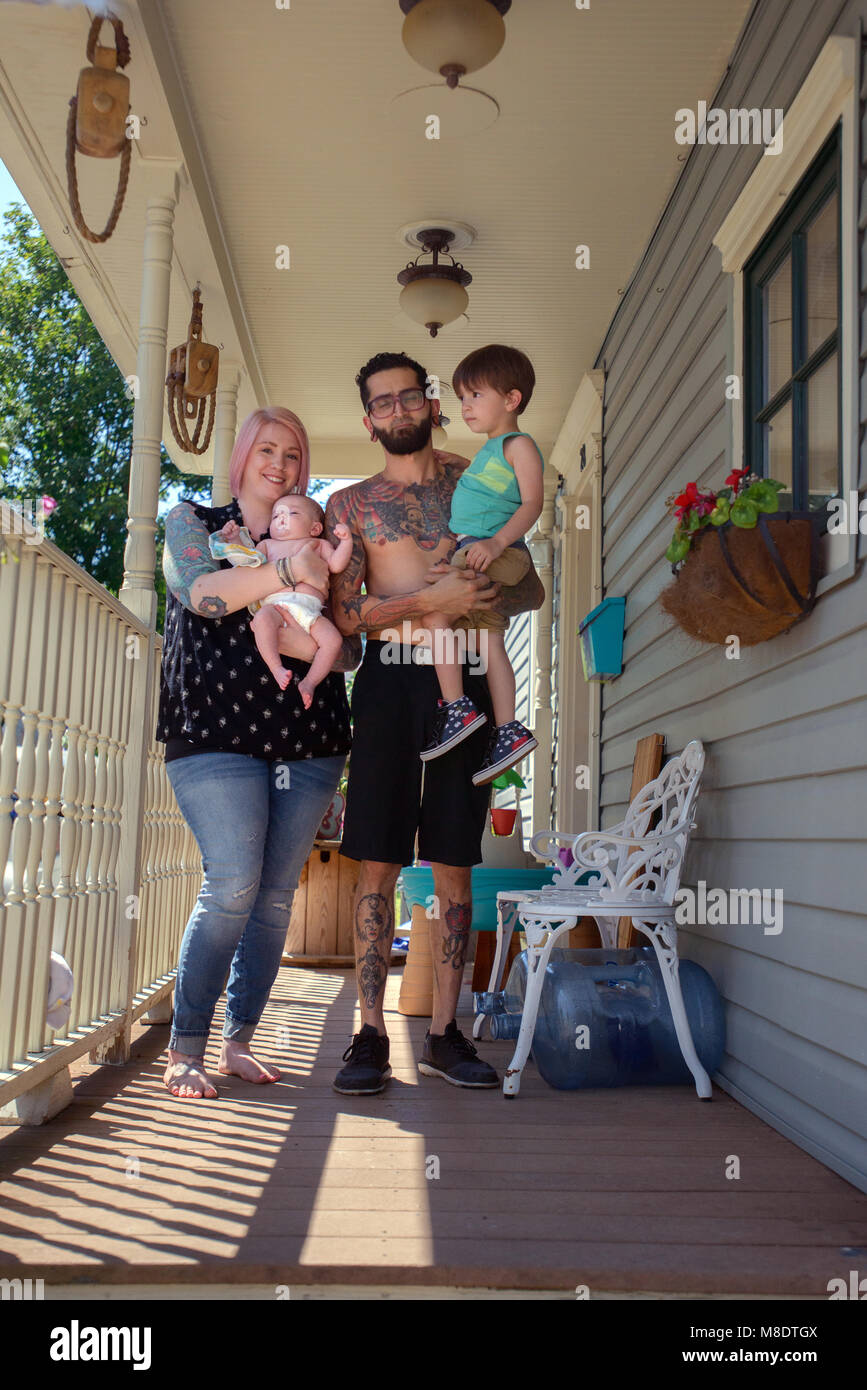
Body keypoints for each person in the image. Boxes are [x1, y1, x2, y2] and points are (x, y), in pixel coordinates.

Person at [326, 351, 545, 1095]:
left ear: (431, 402)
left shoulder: (481, 471)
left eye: (407, 396)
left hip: (470, 678)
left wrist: (475, 586)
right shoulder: (349, 506)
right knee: (377, 857)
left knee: (455, 854)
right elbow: (345, 618)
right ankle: (368, 1033)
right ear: (367, 419)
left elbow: (529, 584)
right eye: (380, 402)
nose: (396, 410)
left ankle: (446, 1035)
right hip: (388, 681)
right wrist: (425, 603)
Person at [157, 407, 359, 1100]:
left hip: (309, 740)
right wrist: (287, 575)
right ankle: (185, 1048)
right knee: (234, 882)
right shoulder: (195, 524)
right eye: (266, 449)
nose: (280, 463)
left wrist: (291, 583)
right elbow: (201, 594)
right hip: (212, 734)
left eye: (294, 454)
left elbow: (346, 647)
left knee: (274, 900)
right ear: (242, 455)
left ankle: (239, 1039)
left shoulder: (319, 535)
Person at [419, 344, 543, 784]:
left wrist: (497, 542)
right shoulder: (489, 452)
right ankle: (507, 729)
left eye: (476, 396)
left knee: (434, 613)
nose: (466, 406)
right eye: (462, 397)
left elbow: (532, 503)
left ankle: (457, 708)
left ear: (511, 400)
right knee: (488, 640)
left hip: (496, 551)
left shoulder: (517, 445)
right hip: (477, 549)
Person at [213, 493, 353, 706]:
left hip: (310, 610)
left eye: (292, 513)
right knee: (261, 620)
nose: (281, 518)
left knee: (333, 640)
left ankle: (310, 682)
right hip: (275, 605)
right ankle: (275, 666)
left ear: (315, 528)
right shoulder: (268, 546)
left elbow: (335, 565)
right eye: (276, 515)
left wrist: (346, 542)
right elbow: (247, 561)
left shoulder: (318, 545)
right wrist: (234, 540)